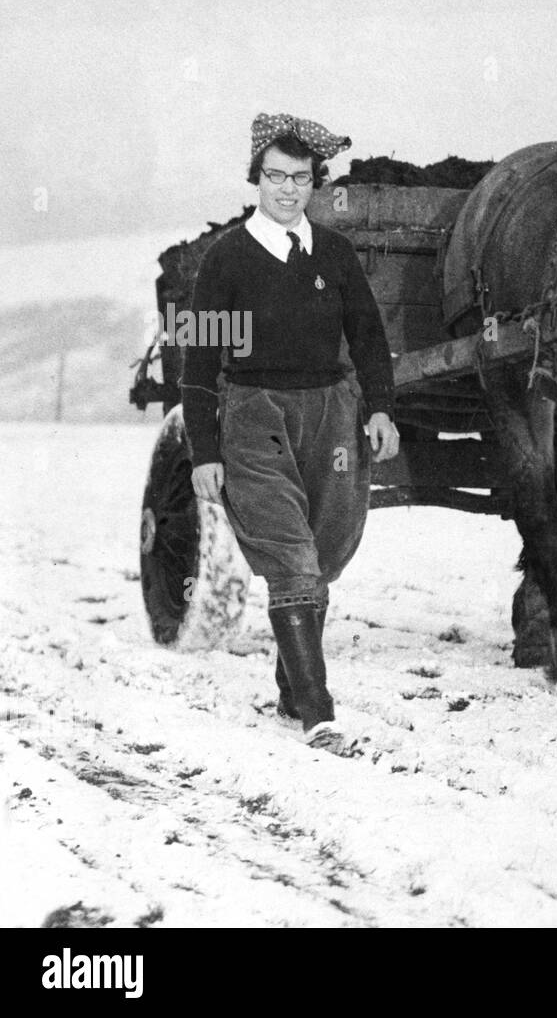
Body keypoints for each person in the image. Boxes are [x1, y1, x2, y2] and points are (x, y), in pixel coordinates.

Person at [182, 112, 400, 757]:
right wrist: (204, 451)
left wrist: (379, 408)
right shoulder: (226, 259)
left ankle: (289, 685)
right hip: (254, 415)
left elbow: (367, 334)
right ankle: (318, 712)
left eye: (299, 179)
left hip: (332, 412)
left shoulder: (334, 252)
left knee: (325, 554)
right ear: (257, 179)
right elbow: (198, 366)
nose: (286, 190)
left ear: (314, 183)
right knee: (291, 558)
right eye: (274, 176)